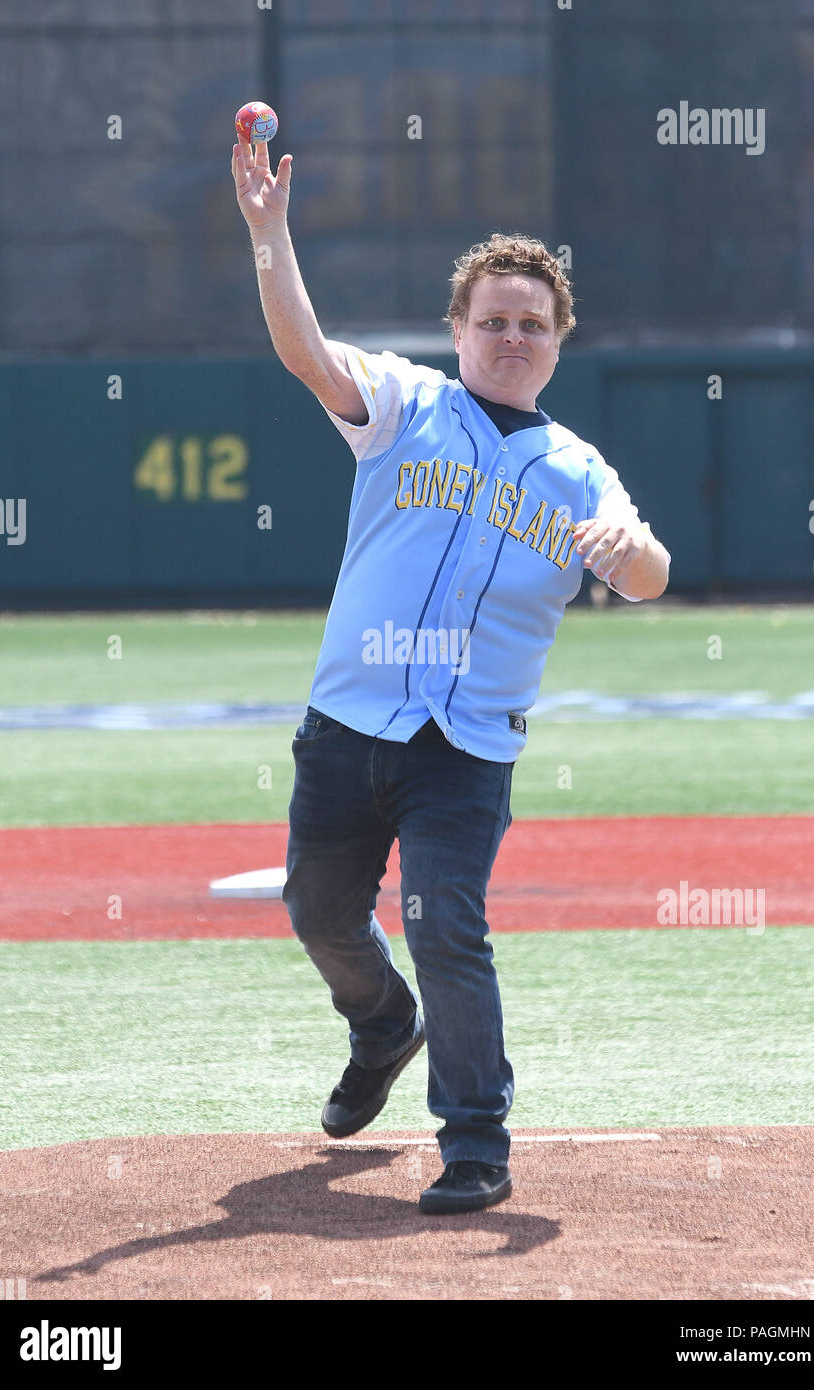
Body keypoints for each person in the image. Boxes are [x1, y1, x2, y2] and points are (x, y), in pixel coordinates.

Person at [232, 136, 671, 1215]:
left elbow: (651, 568)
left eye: (532, 322)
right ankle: (383, 1021)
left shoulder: (578, 472)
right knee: (320, 911)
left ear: (559, 341)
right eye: (493, 319)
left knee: (445, 922)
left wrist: (627, 551)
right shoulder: (403, 405)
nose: (511, 335)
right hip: (348, 723)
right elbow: (305, 351)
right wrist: (269, 239)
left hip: (466, 745)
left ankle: (475, 1139)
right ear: (459, 331)